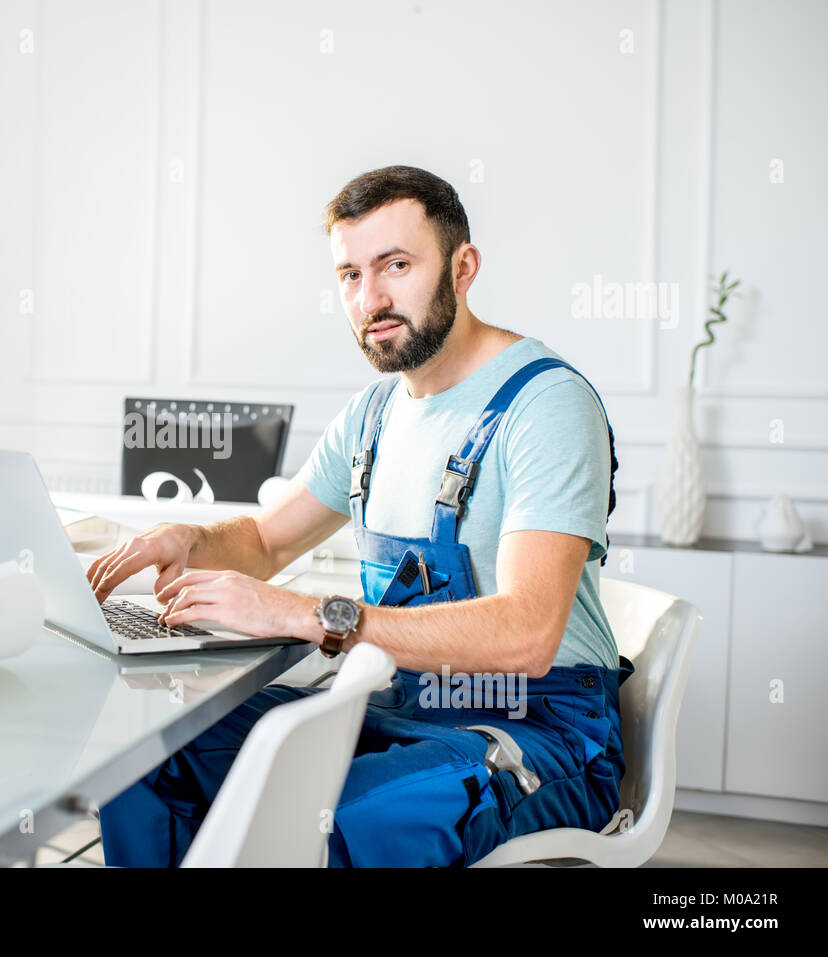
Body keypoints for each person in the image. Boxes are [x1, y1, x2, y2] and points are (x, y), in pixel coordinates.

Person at [87, 165, 632, 867]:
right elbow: (261, 538)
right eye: (349, 275)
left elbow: (527, 631)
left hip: (544, 728)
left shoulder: (546, 404)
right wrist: (189, 538)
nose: (370, 297)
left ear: (462, 268)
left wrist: (307, 614)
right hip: (404, 705)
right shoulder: (372, 416)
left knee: (342, 818)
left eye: (395, 266)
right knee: (148, 758)